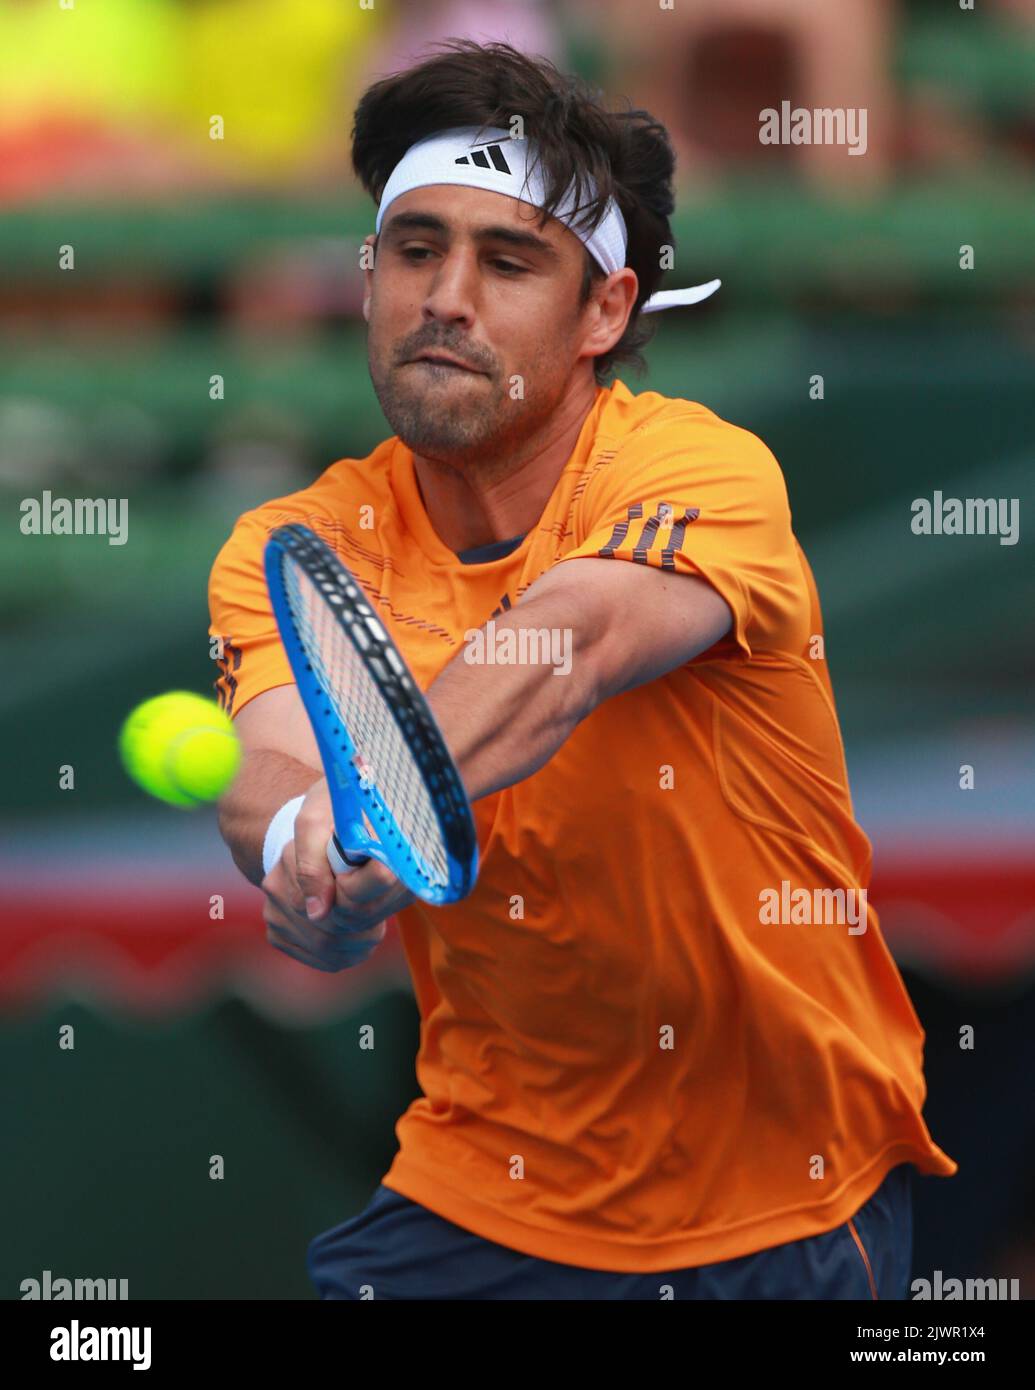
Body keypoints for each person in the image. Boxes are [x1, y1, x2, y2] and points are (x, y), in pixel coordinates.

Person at [208, 39, 956, 1300]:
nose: (446, 295)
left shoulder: (700, 473)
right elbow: (273, 755)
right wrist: (297, 844)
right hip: (479, 1193)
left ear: (605, 311)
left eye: (508, 263)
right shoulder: (293, 541)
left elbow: (568, 646)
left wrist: (380, 803)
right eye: (414, 249)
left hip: (781, 1207)